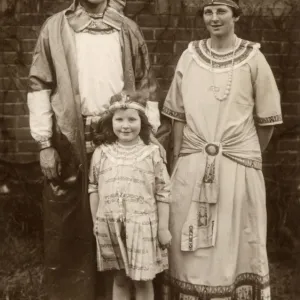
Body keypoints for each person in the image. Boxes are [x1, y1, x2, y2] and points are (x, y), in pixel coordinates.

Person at [27, 1, 164, 299]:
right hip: (69, 138)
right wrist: (45, 144)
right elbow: (39, 85)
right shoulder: (55, 27)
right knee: (70, 222)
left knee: (122, 215)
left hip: (121, 134)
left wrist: (148, 133)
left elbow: (145, 82)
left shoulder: (127, 29)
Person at [161, 0, 283, 299]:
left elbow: (266, 121)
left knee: (234, 238)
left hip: (237, 163)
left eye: (221, 11)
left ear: (236, 16)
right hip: (192, 162)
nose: (214, 18)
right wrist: (179, 157)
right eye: (208, 12)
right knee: (185, 239)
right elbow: (177, 115)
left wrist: (244, 154)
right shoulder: (190, 57)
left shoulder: (253, 59)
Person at [88, 91, 172, 300]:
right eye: (119, 119)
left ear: (142, 123)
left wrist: (163, 228)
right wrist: (96, 223)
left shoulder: (152, 153)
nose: (125, 125)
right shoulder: (102, 153)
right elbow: (94, 188)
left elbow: (163, 193)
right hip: (111, 225)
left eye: (132, 119)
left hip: (143, 226)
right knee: (119, 278)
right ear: (111, 122)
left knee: (143, 281)